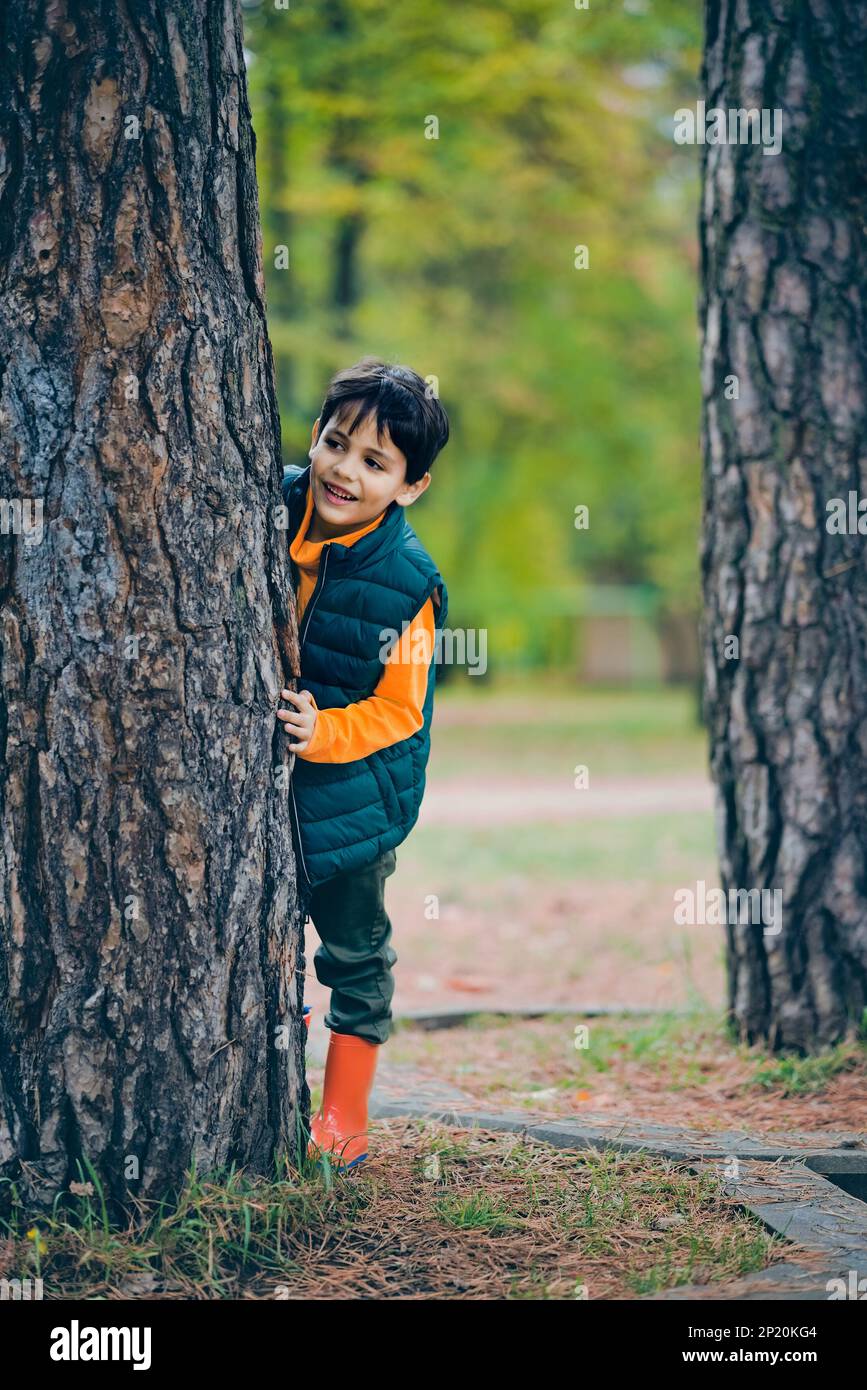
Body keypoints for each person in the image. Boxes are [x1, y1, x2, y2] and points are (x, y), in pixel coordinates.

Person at [277, 356, 450, 1171]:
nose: (345, 470)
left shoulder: (407, 581)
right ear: (315, 436)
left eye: (375, 462)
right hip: (267, 785)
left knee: (353, 950)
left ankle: (344, 1113)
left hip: (353, 791)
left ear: (410, 486)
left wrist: (324, 734)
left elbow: (397, 710)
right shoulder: (262, 505)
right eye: (336, 443)